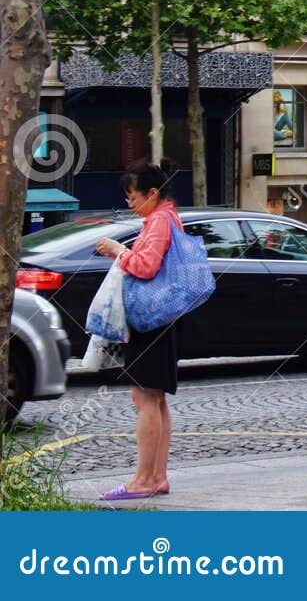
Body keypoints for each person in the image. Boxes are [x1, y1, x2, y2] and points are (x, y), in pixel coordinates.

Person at [93, 160, 185, 501]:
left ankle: (143, 479)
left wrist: (118, 250)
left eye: (133, 197)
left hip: (149, 319)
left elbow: (145, 267)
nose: (129, 203)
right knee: (155, 397)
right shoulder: (166, 217)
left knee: (144, 396)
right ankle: (157, 477)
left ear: (152, 193)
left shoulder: (159, 221)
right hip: (160, 317)